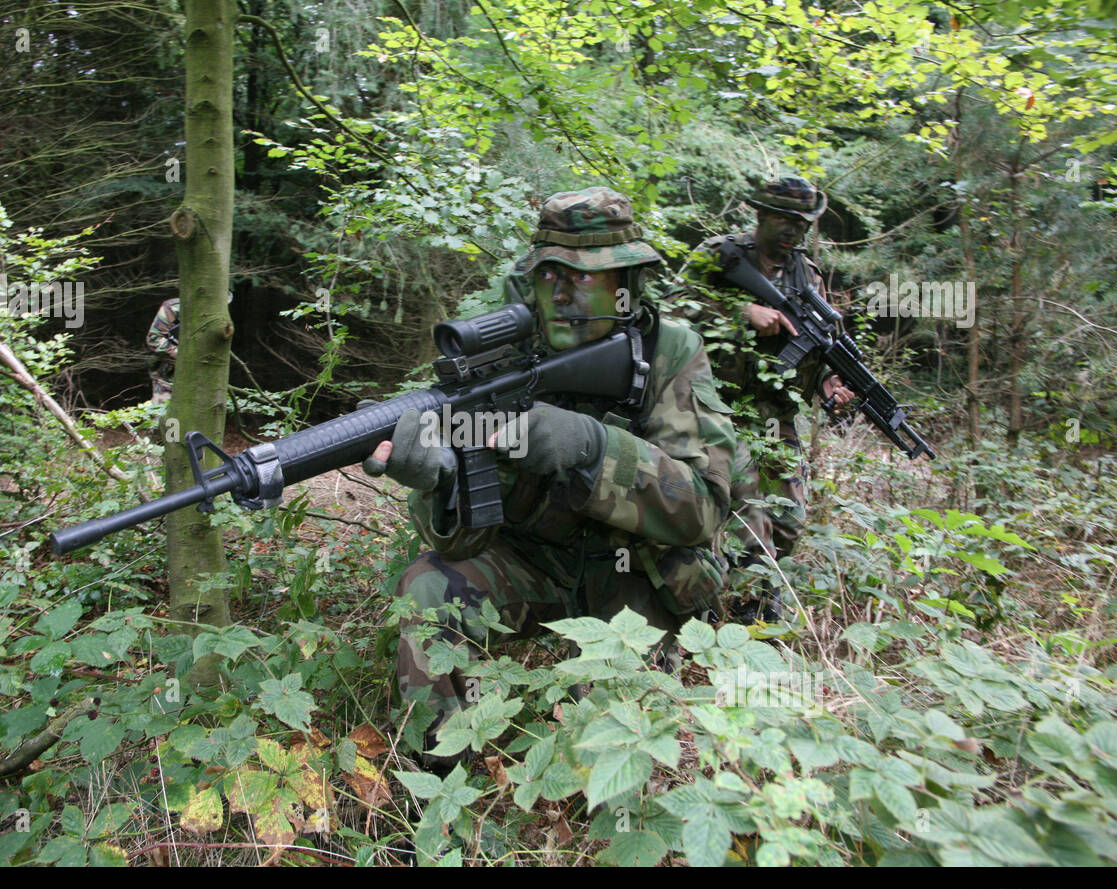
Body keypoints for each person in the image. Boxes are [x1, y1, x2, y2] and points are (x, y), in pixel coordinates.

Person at [362, 186, 737, 767]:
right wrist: (438, 482)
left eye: (583, 278)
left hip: (634, 574)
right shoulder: (501, 353)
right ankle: (435, 790)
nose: (561, 296)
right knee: (428, 591)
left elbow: (704, 511)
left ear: (626, 284)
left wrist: (594, 447)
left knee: (610, 736)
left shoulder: (668, 352)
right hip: (535, 563)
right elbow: (465, 537)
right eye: (549, 277)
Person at [675, 176, 854, 621]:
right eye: (783, 218)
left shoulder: (806, 274)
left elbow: (818, 344)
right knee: (749, 516)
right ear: (759, 214)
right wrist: (740, 314)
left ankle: (738, 593)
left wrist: (829, 380)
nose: (793, 229)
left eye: (801, 222)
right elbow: (669, 309)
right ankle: (749, 621)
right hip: (719, 409)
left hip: (776, 419)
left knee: (788, 523)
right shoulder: (720, 255)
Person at [146, 296, 180, 404]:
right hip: (168, 378)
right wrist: (182, 354)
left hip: (204, 377)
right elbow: (154, 339)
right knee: (165, 417)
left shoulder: (222, 310)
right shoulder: (174, 308)